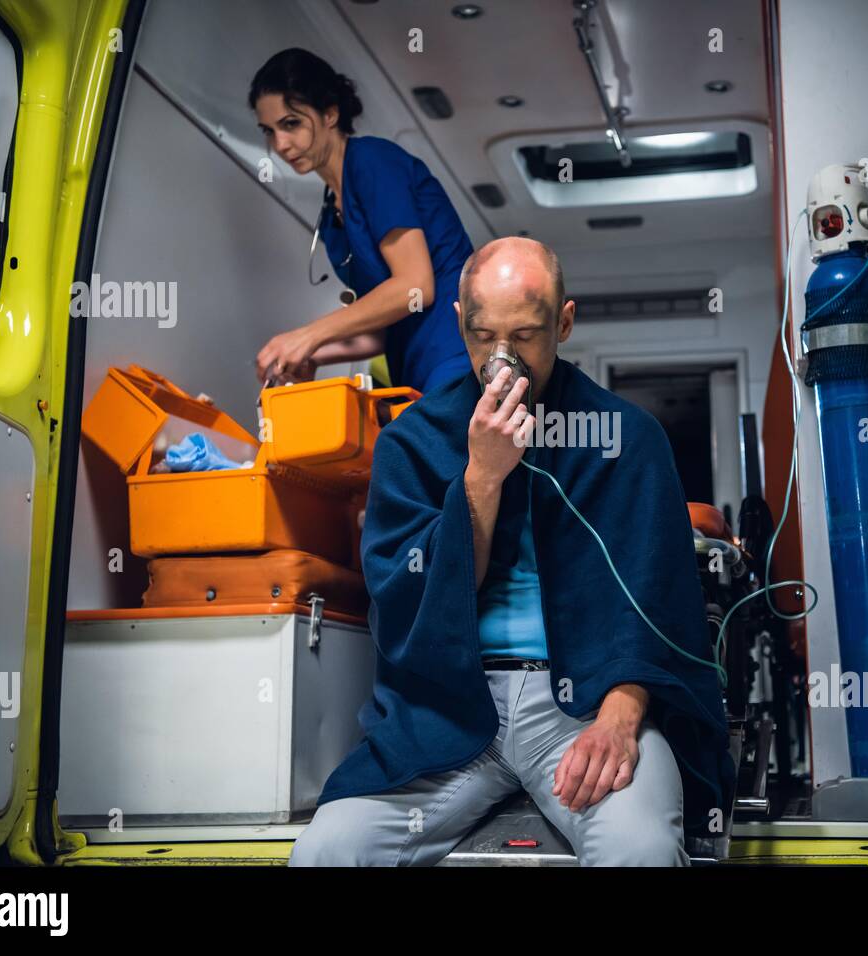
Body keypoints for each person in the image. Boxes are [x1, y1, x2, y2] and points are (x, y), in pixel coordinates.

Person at [288, 237, 736, 866]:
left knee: (640, 849)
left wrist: (621, 716)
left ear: (565, 323)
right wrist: (481, 479)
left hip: (583, 705)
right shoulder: (412, 443)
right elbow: (405, 601)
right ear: (457, 325)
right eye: (482, 336)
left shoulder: (627, 439)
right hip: (448, 707)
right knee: (327, 852)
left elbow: (660, 605)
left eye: (526, 336)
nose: (501, 358)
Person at [248, 48, 474, 392]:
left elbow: (415, 288)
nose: (280, 144)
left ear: (329, 114)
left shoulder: (373, 162)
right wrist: (312, 353)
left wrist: (308, 335)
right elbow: (382, 326)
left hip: (453, 358)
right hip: (414, 370)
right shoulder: (331, 215)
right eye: (268, 131)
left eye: (290, 124)